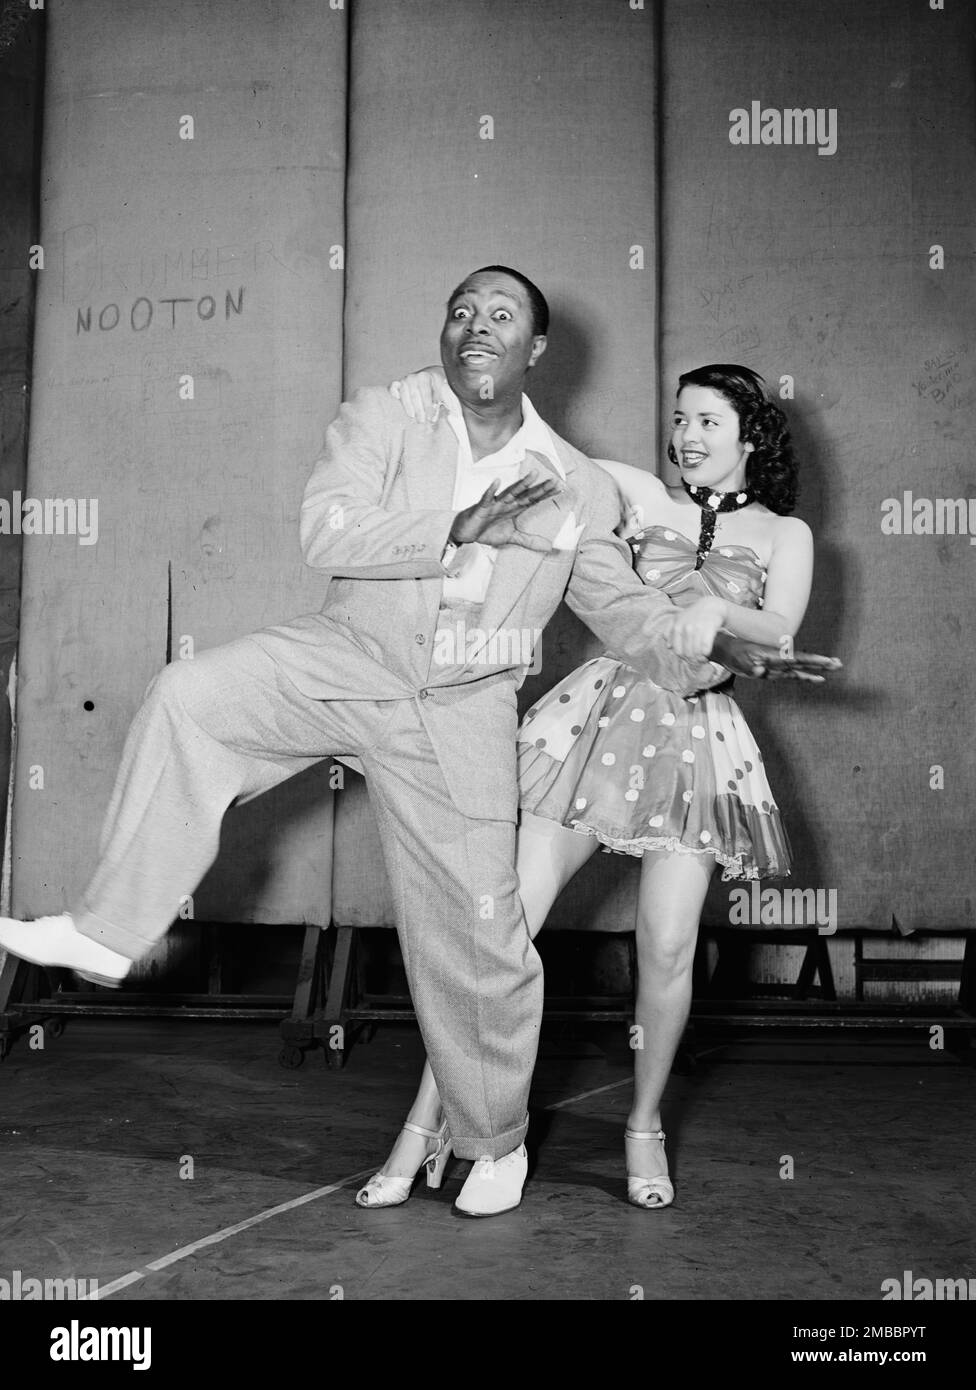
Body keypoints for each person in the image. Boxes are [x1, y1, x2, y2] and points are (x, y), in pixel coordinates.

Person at [0, 268, 835, 1219]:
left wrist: (722, 648)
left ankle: (494, 1144)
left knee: (482, 930)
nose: (478, 326)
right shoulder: (384, 417)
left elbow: (626, 612)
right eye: (463, 310)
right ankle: (108, 932)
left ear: (537, 351)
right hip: (353, 653)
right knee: (191, 694)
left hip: (464, 706)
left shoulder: (580, 486)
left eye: (503, 314)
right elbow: (327, 528)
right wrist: (456, 525)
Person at [370, 359, 825, 1210]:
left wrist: (715, 614)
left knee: (665, 946)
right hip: (595, 726)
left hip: (697, 743)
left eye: (708, 422)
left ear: (752, 435)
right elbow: (542, 453)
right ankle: (428, 1121)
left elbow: (781, 631)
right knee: (498, 930)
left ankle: (644, 1125)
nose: (687, 435)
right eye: (681, 419)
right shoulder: (640, 497)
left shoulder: (783, 535)